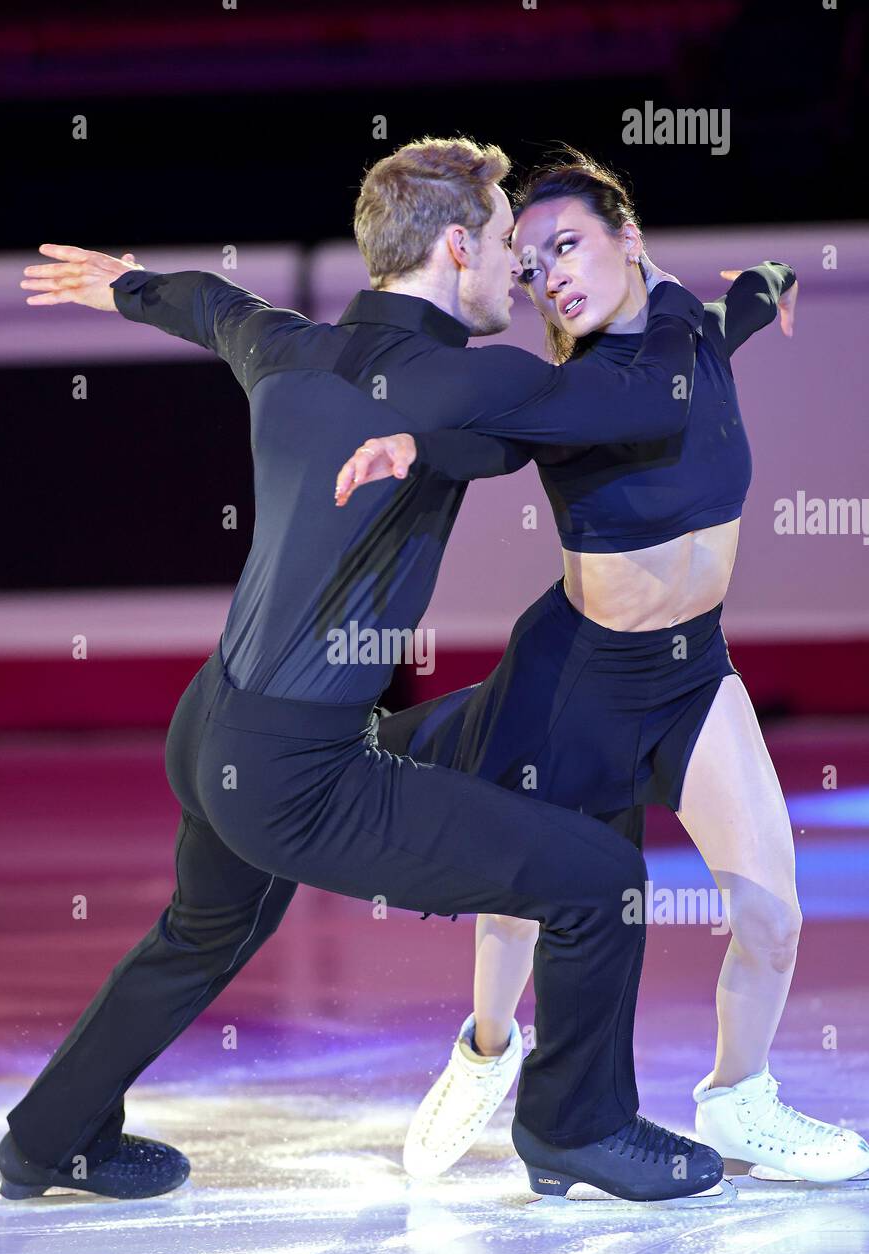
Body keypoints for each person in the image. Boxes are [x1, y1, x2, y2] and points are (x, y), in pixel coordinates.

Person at [0, 137, 724, 1208]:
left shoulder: (288, 347)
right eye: (504, 253)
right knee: (599, 883)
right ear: (453, 245)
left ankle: (46, 1137)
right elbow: (646, 401)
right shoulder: (470, 383)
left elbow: (214, 305)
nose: (517, 277)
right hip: (300, 772)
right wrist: (658, 283)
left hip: (213, 729)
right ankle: (580, 1126)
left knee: (205, 927)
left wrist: (126, 285)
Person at [340, 149, 869, 1186]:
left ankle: (738, 1097)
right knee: (523, 900)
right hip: (578, 672)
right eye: (529, 266)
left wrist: (774, 283)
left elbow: (744, 303)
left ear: (631, 237)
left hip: (692, 676)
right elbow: (496, 433)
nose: (550, 277)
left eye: (568, 245)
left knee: (772, 914)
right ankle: (488, 1052)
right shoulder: (573, 392)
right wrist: (418, 443)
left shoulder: (695, 343)